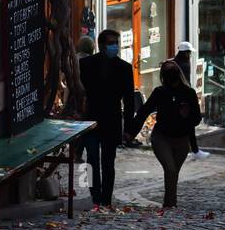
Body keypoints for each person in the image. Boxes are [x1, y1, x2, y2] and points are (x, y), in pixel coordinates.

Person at [128, 60, 202, 208]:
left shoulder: (189, 93)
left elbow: (197, 119)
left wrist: (187, 115)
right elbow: (143, 112)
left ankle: (169, 203)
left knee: (173, 172)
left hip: (181, 139)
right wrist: (130, 133)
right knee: (170, 169)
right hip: (162, 137)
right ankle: (170, 204)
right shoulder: (160, 92)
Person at [77, 30, 135, 209]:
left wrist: (129, 128)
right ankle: (94, 195)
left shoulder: (124, 68)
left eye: (116, 43)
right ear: (101, 45)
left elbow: (129, 99)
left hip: (112, 120)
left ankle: (106, 198)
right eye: (111, 43)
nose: (114, 46)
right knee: (91, 158)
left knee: (108, 161)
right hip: (90, 119)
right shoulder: (85, 64)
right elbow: (78, 92)